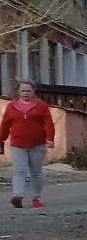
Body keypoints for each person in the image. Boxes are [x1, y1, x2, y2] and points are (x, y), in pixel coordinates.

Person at [3, 81, 55, 209]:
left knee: (36, 172)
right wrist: (1, 139)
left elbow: (48, 123)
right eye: (23, 91)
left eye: (28, 91)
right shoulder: (11, 106)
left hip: (37, 144)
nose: (25, 93)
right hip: (18, 144)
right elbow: (5, 124)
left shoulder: (41, 106)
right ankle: (17, 196)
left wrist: (50, 138)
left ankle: (36, 197)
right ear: (18, 92)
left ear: (33, 92)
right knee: (19, 171)